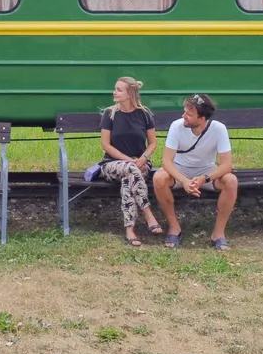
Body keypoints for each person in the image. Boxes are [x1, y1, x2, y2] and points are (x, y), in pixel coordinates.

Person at [153, 93, 237, 251]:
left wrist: (204, 179)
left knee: (231, 181)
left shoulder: (219, 129)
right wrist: (184, 181)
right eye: (184, 112)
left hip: (206, 170)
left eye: (189, 114)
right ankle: (174, 228)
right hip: (180, 169)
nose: (183, 116)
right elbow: (166, 161)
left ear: (202, 118)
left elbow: (226, 165)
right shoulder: (176, 126)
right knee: (159, 177)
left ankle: (218, 234)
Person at [97, 76, 163, 246]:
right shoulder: (109, 114)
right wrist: (129, 160)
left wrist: (143, 158)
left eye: (119, 90)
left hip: (140, 164)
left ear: (130, 94)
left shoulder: (144, 114)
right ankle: (148, 214)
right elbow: (105, 145)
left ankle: (130, 229)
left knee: (129, 179)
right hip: (112, 165)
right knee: (130, 170)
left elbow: (153, 143)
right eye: (115, 88)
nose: (114, 92)